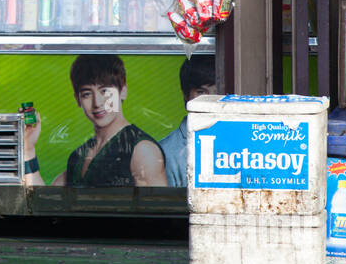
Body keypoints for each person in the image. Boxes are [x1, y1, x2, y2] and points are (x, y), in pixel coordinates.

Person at [21, 54, 165, 187]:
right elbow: (45, 204)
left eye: (105, 91)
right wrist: (28, 149)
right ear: (78, 100)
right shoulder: (78, 156)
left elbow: (157, 210)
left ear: (123, 91)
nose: (98, 103)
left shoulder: (142, 150)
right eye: (87, 94)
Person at [158, 55, 216, 188]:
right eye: (201, 92)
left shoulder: (238, 141)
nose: (211, 100)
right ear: (186, 94)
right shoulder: (167, 152)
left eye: (218, 93)